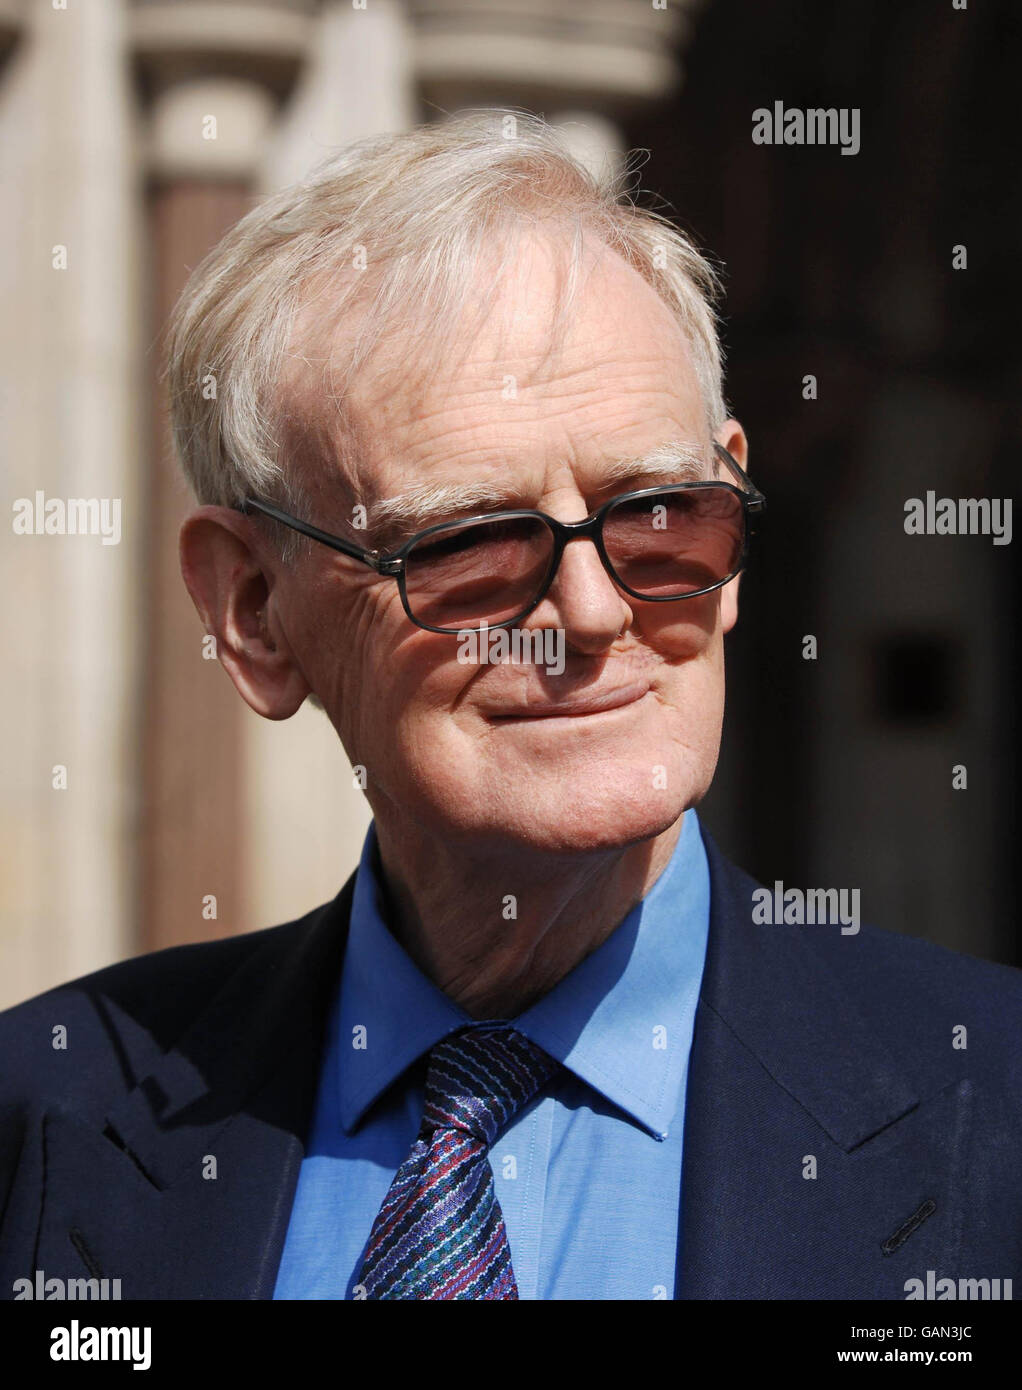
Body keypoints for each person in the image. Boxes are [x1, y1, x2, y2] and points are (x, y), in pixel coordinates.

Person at [1, 112, 1020, 1302]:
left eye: (659, 515)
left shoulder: (987, 1100)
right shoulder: (47, 1118)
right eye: (474, 543)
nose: (589, 612)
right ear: (254, 611)